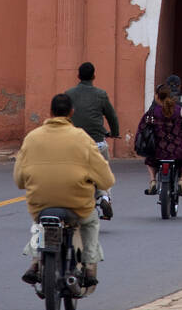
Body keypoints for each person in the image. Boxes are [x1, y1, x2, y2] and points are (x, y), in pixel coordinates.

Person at [14, 92, 115, 288]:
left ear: (50, 112)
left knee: (40, 224)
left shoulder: (32, 138)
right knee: (91, 223)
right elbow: (106, 179)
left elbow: (19, 180)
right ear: (71, 112)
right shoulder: (82, 138)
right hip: (77, 204)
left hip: (41, 204)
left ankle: (35, 263)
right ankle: (89, 267)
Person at [65, 61, 120, 220]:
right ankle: (104, 197)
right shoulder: (101, 94)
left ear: (78, 76)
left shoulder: (68, 94)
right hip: (97, 143)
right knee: (104, 172)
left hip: (74, 143)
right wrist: (114, 132)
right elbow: (112, 117)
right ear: (94, 76)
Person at [136, 77, 182, 197]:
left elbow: (143, 128)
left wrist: (142, 144)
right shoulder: (180, 111)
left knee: (149, 161)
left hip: (158, 151)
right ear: (179, 86)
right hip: (178, 151)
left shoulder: (152, 112)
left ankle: (152, 181)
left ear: (157, 96)